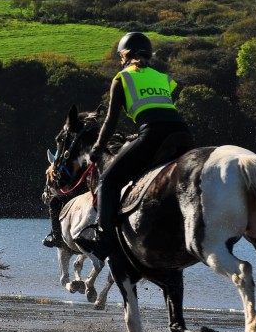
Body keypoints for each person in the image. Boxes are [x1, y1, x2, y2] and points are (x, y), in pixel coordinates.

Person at [73, 32, 193, 259]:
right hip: (182, 134)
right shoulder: (163, 78)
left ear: (125, 56)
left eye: (120, 57)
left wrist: (98, 148)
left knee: (108, 181)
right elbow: (163, 110)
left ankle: (104, 241)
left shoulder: (122, 78)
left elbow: (110, 120)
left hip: (153, 135)